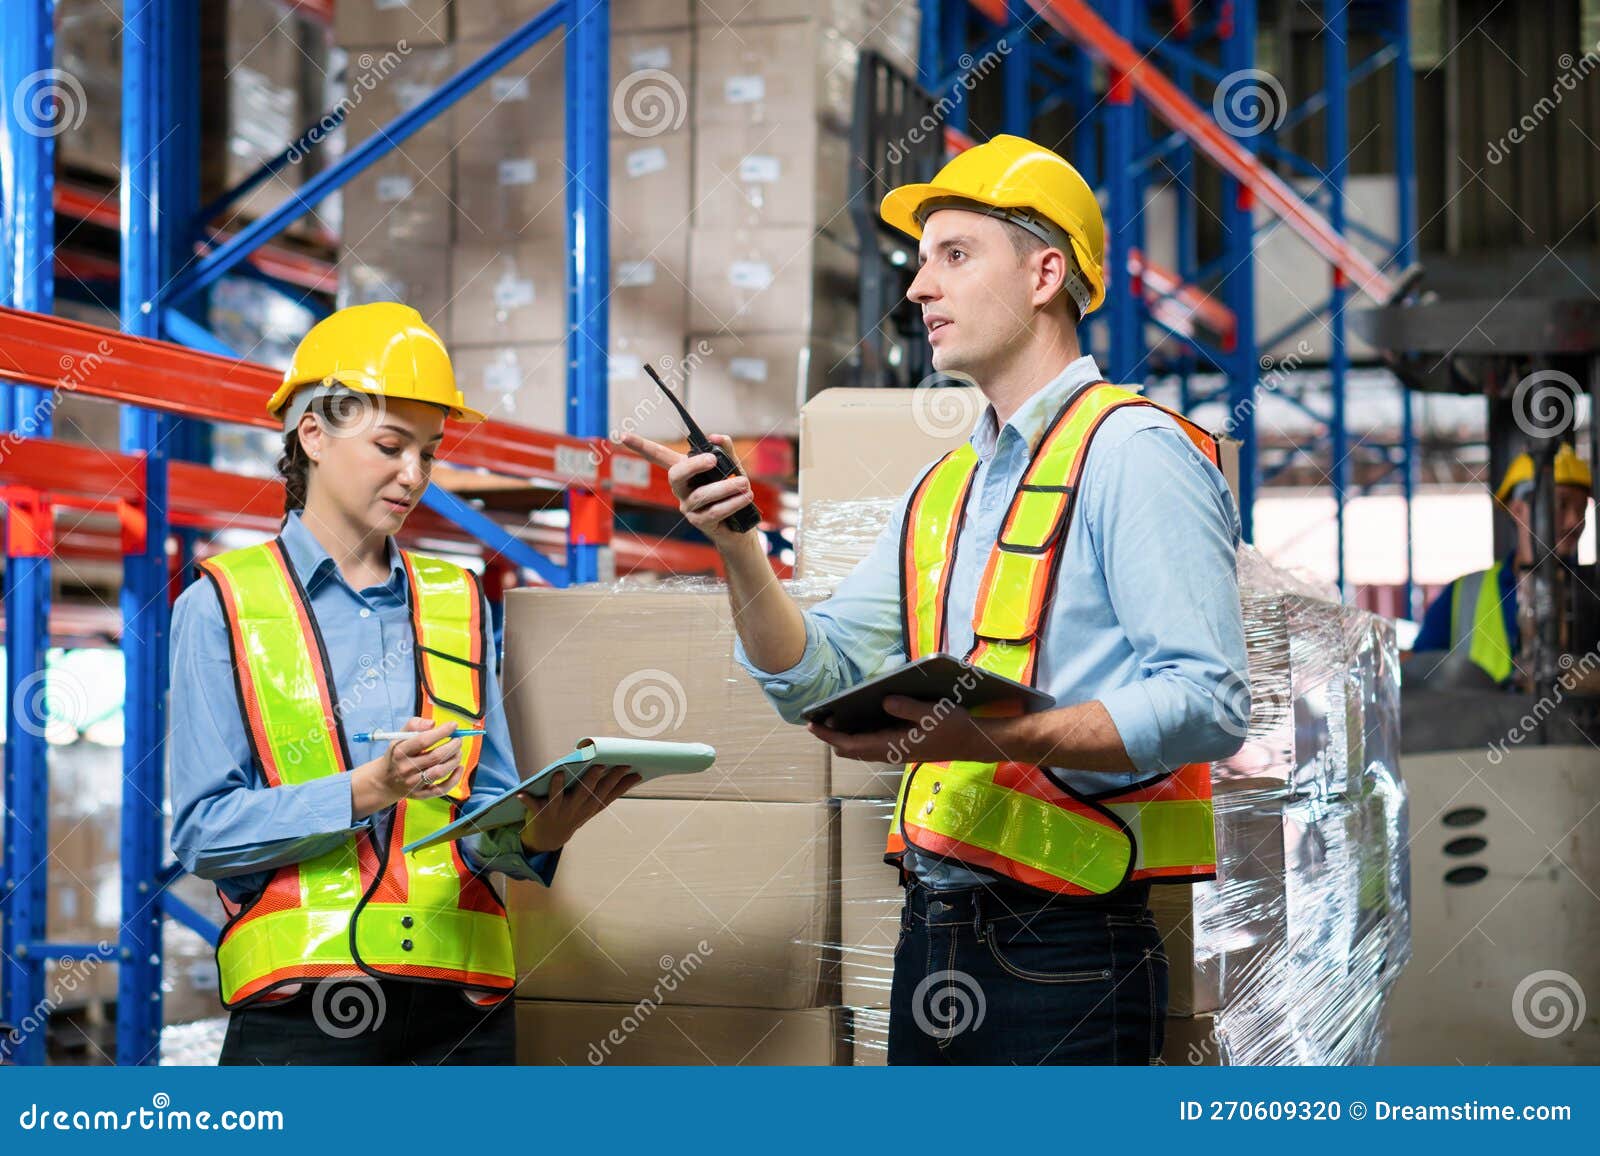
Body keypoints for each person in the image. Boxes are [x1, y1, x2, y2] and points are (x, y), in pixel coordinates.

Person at [625, 134, 1248, 1065]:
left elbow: (1210, 703)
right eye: (921, 262)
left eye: (955, 256)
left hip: (1067, 949)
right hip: (934, 937)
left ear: (1046, 274)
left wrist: (998, 738)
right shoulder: (944, 489)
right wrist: (739, 548)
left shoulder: (1134, 453)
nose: (919, 288)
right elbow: (813, 676)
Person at [169, 303, 638, 1065]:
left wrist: (538, 834)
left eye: (430, 451)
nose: (414, 475)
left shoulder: (457, 599)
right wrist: (367, 790)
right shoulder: (221, 603)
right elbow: (203, 831)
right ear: (312, 435)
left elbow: (486, 817)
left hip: (463, 1008)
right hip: (303, 1011)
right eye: (390, 446)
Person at [1410, 446, 1592, 685]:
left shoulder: (1590, 591)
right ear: (1518, 509)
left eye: (1582, 510)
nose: (1574, 521)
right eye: (1561, 505)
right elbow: (1419, 672)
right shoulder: (1464, 592)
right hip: (1482, 722)